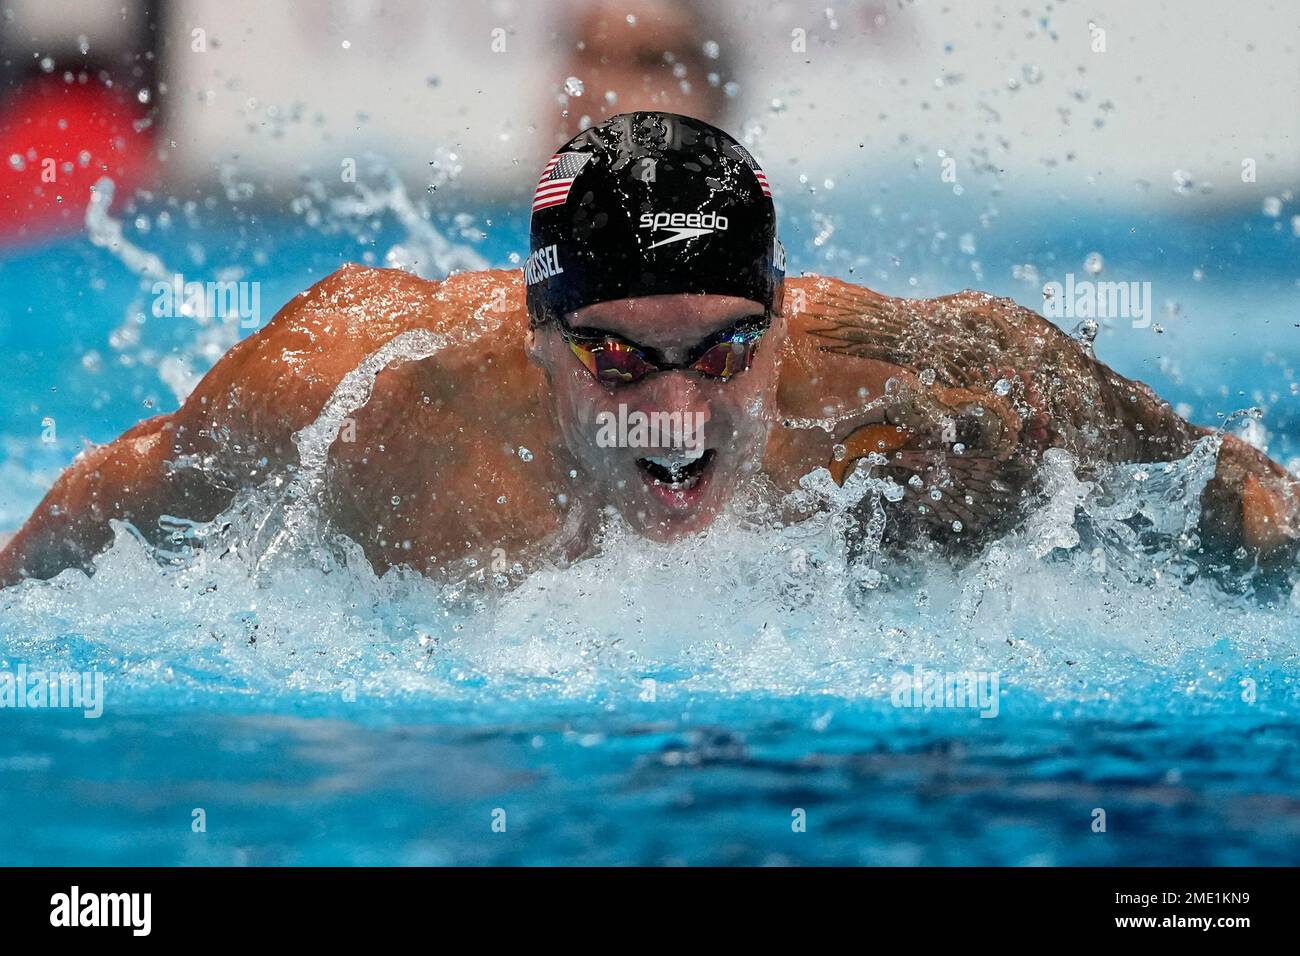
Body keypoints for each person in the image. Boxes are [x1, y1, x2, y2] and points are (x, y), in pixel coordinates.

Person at [0, 111, 1295, 588]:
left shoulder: (927, 390)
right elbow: (104, 515)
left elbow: (1217, 487)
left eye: (725, 352)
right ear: (538, 333)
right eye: (622, 361)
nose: (679, 414)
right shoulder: (355, 399)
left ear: (784, 325)